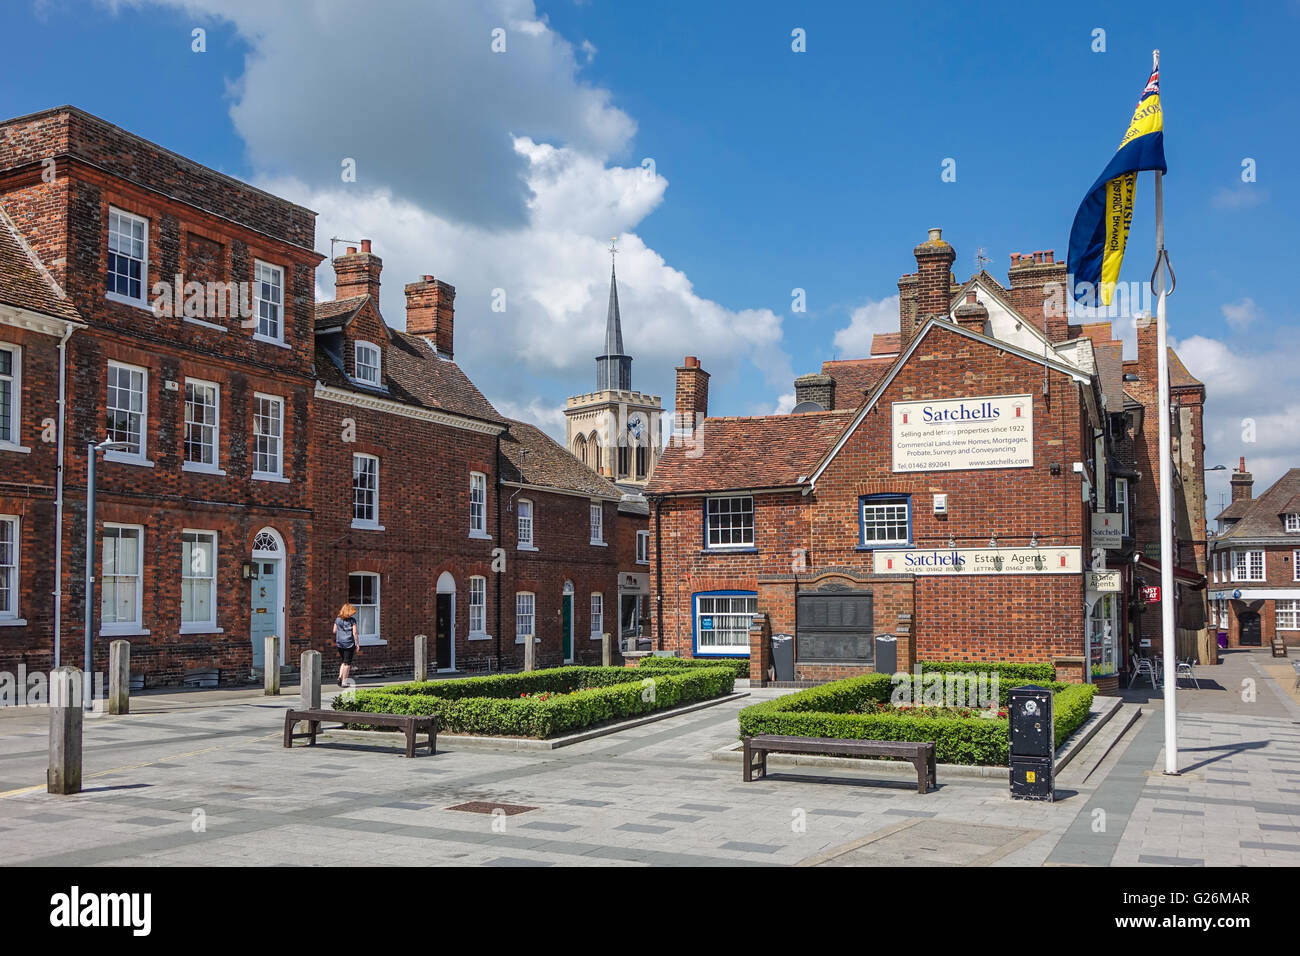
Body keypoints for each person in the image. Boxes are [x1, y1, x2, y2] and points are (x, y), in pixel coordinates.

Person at [335, 603, 360, 686]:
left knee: (343, 661)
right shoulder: (352, 620)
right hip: (349, 643)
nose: (353, 614)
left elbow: (334, 630)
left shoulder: (337, 620)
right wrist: (357, 644)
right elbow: (355, 633)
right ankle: (344, 681)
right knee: (347, 663)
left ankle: (340, 677)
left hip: (340, 643)